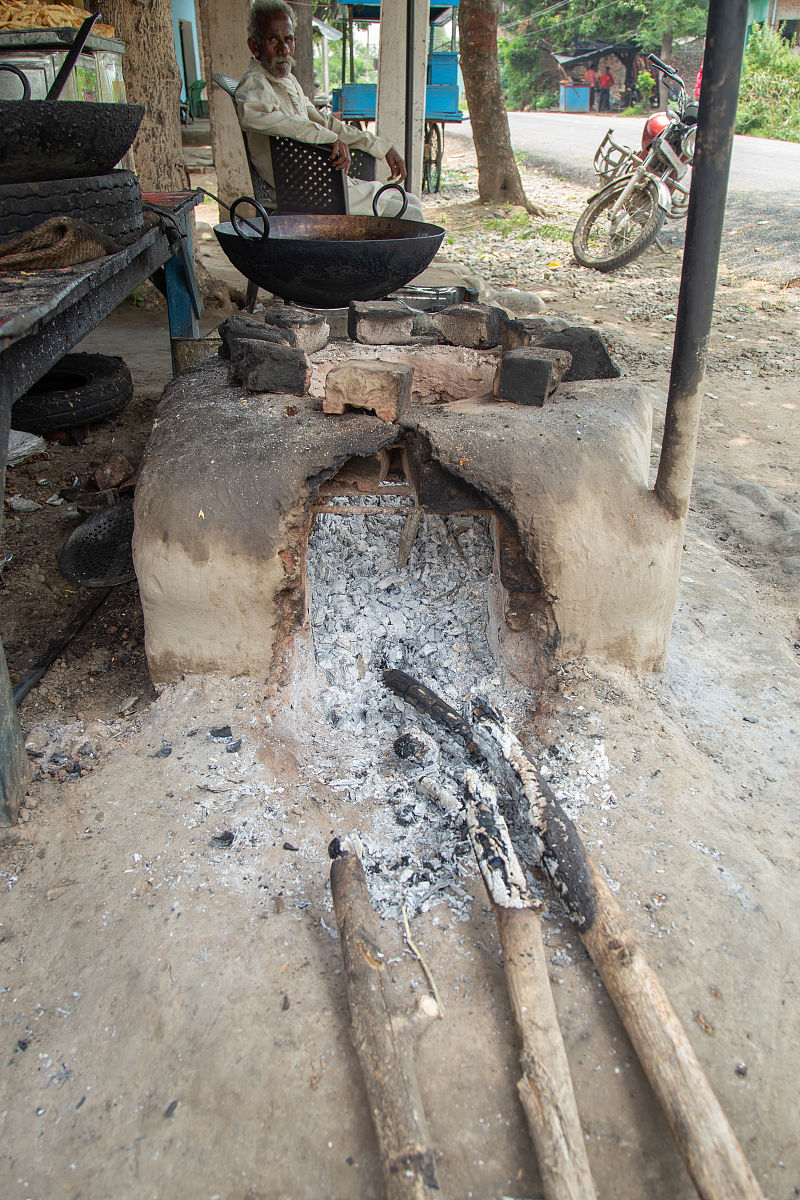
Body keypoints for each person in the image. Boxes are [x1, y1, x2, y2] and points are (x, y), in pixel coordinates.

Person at [235, 0, 424, 221]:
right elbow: (268, 119)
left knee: (411, 201)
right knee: (410, 214)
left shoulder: (287, 81)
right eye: (273, 39)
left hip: (318, 184)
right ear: (255, 46)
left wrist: (382, 146)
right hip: (300, 193)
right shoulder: (254, 85)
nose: (283, 49)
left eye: (288, 39)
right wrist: (327, 138)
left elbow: (325, 122)